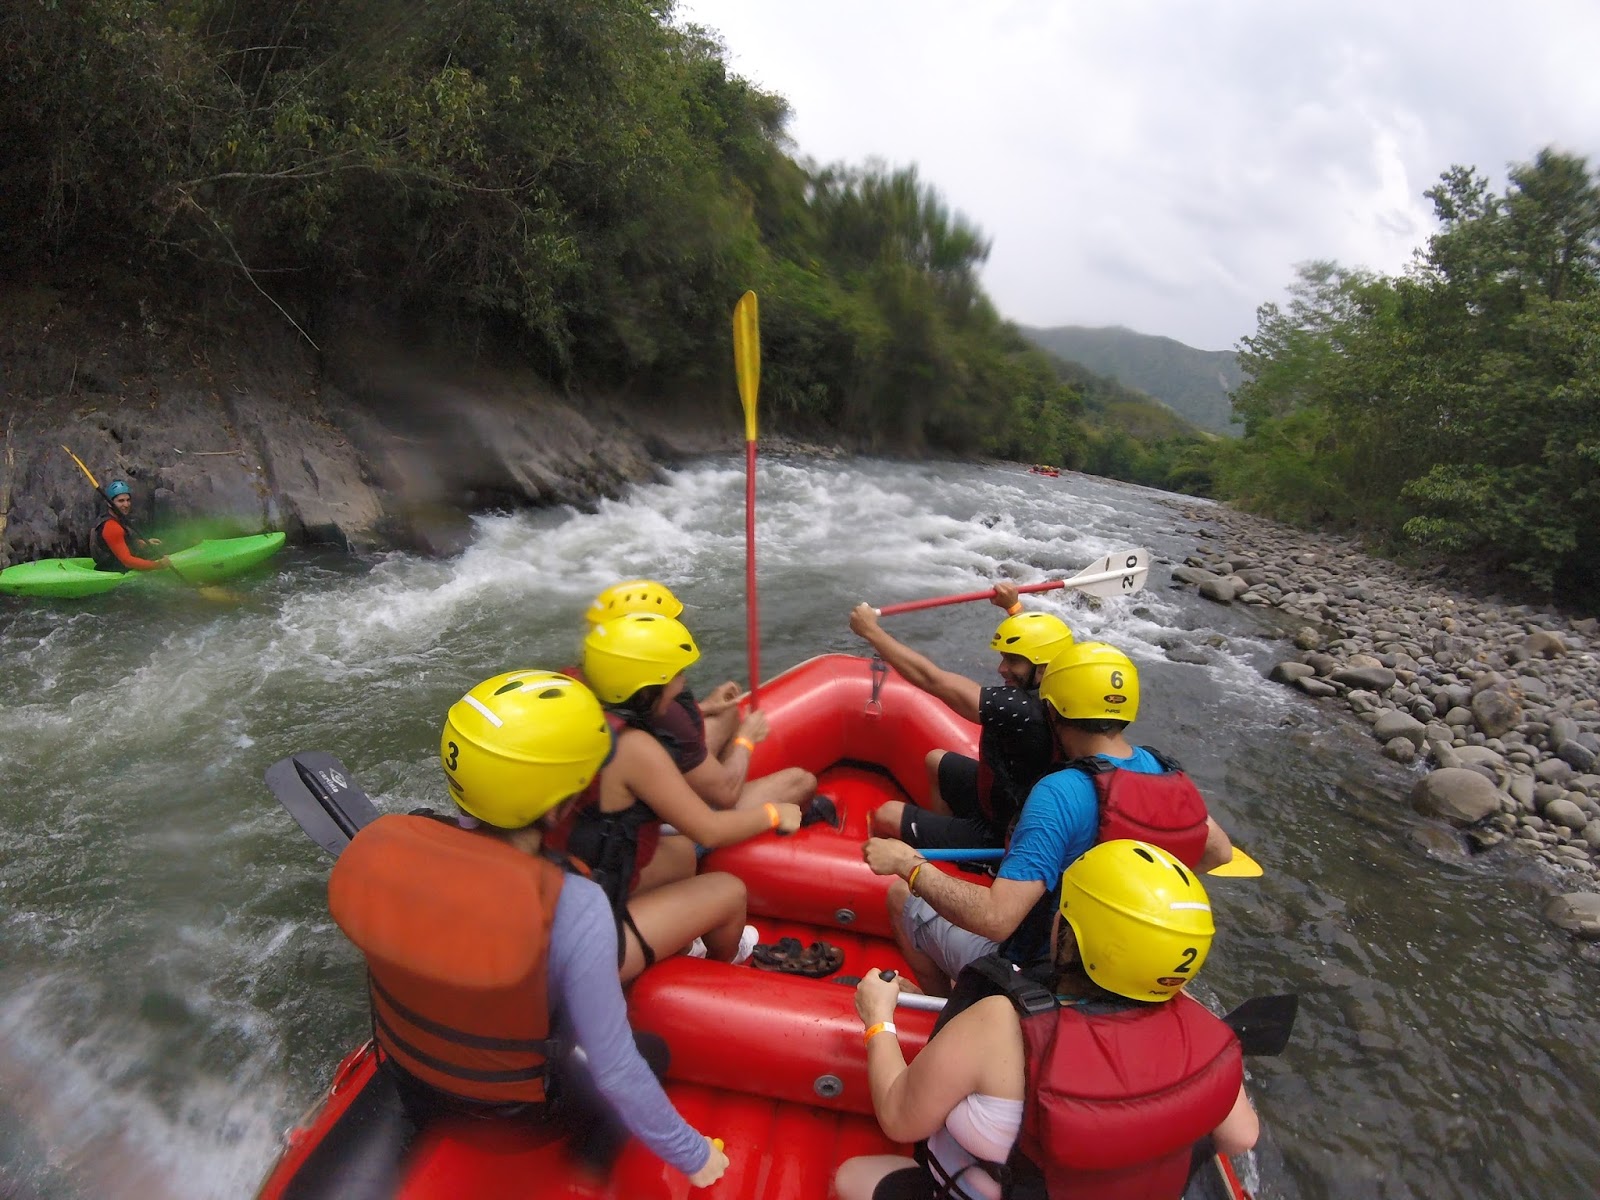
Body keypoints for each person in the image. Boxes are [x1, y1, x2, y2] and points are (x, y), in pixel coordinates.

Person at [325, 669, 729, 1188]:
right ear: (561, 801)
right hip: (519, 1117)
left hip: (411, 1088)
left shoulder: (397, 846)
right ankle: (588, 1169)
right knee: (652, 1053)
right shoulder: (573, 902)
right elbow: (616, 1069)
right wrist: (693, 1155)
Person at [836, 839, 1257, 1200]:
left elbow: (897, 1115)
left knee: (852, 1177)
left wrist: (878, 1019)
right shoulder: (1208, 1035)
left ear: (1069, 936)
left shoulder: (1001, 1023)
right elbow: (1240, 1137)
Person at [865, 641, 1235, 995]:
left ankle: (947, 1008)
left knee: (901, 897)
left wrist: (909, 865)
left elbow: (996, 919)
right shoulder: (1166, 772)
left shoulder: (1060, 792)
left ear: (1052, 711)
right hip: (1121, 958)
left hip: (1041, 966)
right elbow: (1219, 852)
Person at [551, 612, 806, 978]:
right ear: (647, 690)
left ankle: (678, 941)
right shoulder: (633, 749)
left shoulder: (570, 708)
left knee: (680, 855)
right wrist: (776, 813)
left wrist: (702, 709)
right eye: (676, 676)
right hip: (586, 926)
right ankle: (713, 972)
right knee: (730, 892)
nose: (683, 683)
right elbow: (711, 830)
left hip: (564, 879)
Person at [848, 582, 1073, 851]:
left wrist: (871, 632)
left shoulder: (1020, 708)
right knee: (936, 761)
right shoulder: (1064, 686)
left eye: (1013, 661)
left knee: (887, 815)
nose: (1002, 669)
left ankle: (957, 862)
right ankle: (948, 849)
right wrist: (1013, 608)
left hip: (1004, 831)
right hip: (1003, 796)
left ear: (1042, 667)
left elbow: (932, 679)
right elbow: (1042, 650)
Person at [587, 579, 816, 814]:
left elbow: (651, 725)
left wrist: (704, 707)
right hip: (672, 825)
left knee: (727, 713)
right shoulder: (665, 721)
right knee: (801, 782)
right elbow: (724, 797)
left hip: (633, 795)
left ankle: (720, 784)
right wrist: (746, 739)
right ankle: (726, 802)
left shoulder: (595, 682)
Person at [91, 480, 169, 572]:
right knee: (163, 553)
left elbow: (122, 542)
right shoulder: (111, 526)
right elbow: (127, 561)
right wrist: (158, 565)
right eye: (121, 501)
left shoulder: (117, 517)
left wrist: (142, 543)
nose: (126, 504)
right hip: (113, 569)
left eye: (128, 500)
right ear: (109, 503)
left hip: (115, 561)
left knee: (159, 547)